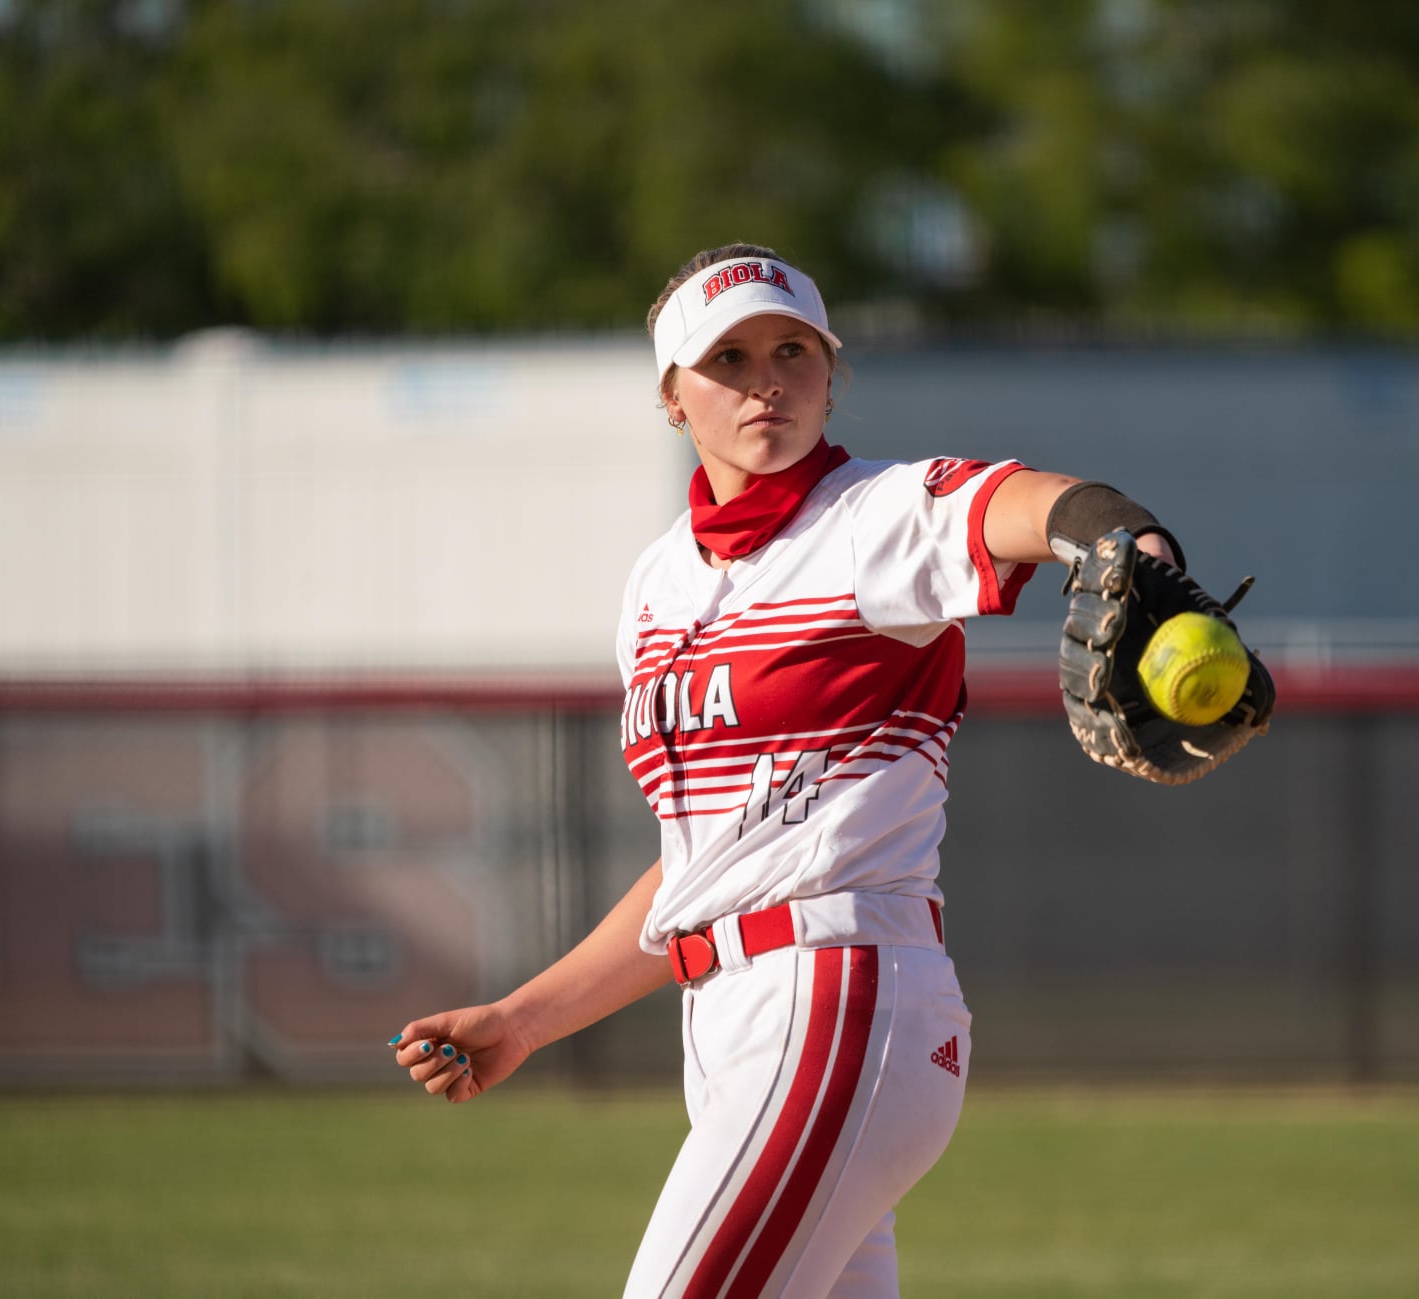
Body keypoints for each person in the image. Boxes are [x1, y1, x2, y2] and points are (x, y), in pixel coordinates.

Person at [389, 243, 1187, 1297]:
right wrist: (522, 1019)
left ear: (829, 374)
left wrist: (1133, 549)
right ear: (673, 399)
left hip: (839, 1000)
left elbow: (1039, 505)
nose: (765, 379)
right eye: (726, 358)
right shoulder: (656, 585)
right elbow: (701, 874)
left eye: (792, 351)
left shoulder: (874, 520)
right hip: (729, 1024)